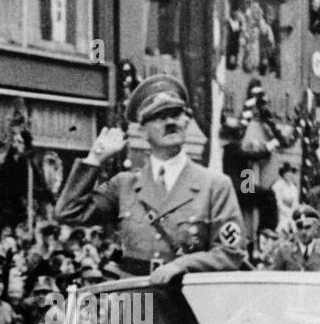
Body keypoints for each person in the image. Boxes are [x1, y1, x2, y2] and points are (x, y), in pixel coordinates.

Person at [54, 74, 246, 283]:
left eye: (176, 114)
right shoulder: (125, 184)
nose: (170, 122)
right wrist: (94, 159)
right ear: (143, 130)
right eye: (159, 117)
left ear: (187, 120)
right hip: (137, 303)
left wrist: (181, 265)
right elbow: (68, 212)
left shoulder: (215, 185)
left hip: (188, 301)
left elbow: (230, 253)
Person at [267, 205, 320, 271]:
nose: (303, 232)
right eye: (300, 227)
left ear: (316, 228)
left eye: (307, 227)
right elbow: (274, 275)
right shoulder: (285, 251)